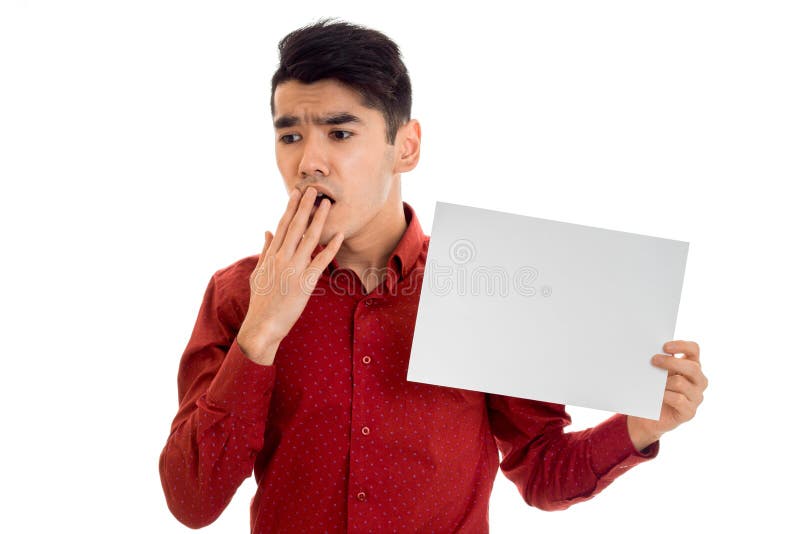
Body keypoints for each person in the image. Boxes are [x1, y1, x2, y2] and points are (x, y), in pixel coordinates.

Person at [158, 18, 707, 533]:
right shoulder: (237, 295)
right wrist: (262, 333)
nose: (310, 163)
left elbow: (539, 470)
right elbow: (192, 501)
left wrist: (641, 427)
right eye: (290, 136)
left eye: (340, 133)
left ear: (407, 146)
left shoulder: (486, 284)